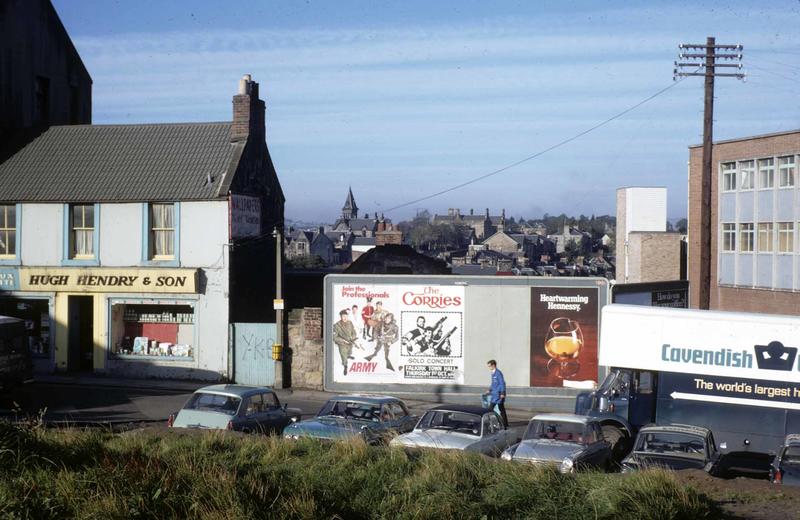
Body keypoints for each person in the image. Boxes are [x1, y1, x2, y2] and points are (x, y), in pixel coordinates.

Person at [333, 309, 359, 375]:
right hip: (342, 343)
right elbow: (334, 337)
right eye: (343, 316)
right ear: (340, 317)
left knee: (349, 351)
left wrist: (353, 337)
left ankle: (348, 356)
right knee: (343, 354)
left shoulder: (350, 322)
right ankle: (345, 365)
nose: (345, 318)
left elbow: (353, 331)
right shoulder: (336, 325)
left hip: (350, 342)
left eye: (346, 316)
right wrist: (343, 341)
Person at [487, 359, 508, 428]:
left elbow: (502, 383)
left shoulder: (498, 373)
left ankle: (490, 424)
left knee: (490, 409)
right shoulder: (493, 373)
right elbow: (493, 383)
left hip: (498, 395)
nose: (489, 368)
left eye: (489, 366)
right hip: (494, 394)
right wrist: (489, 390)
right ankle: (505, 424)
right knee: (502, 409)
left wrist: (502, 393)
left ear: (493, 365)